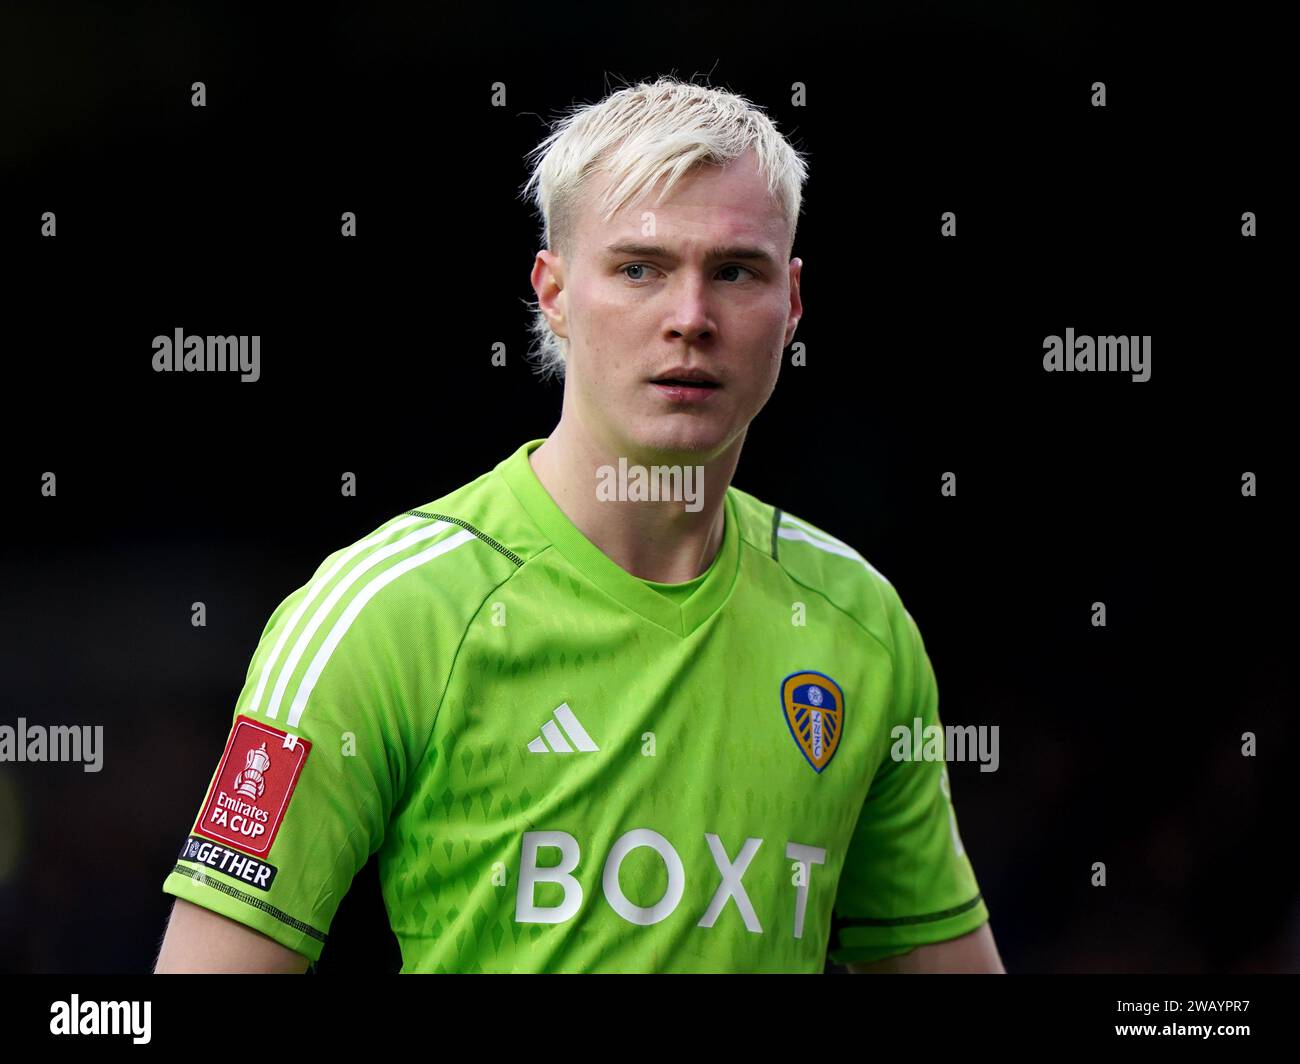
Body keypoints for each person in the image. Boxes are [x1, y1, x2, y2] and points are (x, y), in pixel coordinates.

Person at [155, 76, 1003, 974]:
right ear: (552, 292)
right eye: (639, 268)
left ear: (792, 304)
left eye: (735, 272)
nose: (690, 319)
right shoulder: (387, 612)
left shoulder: (859, 625)